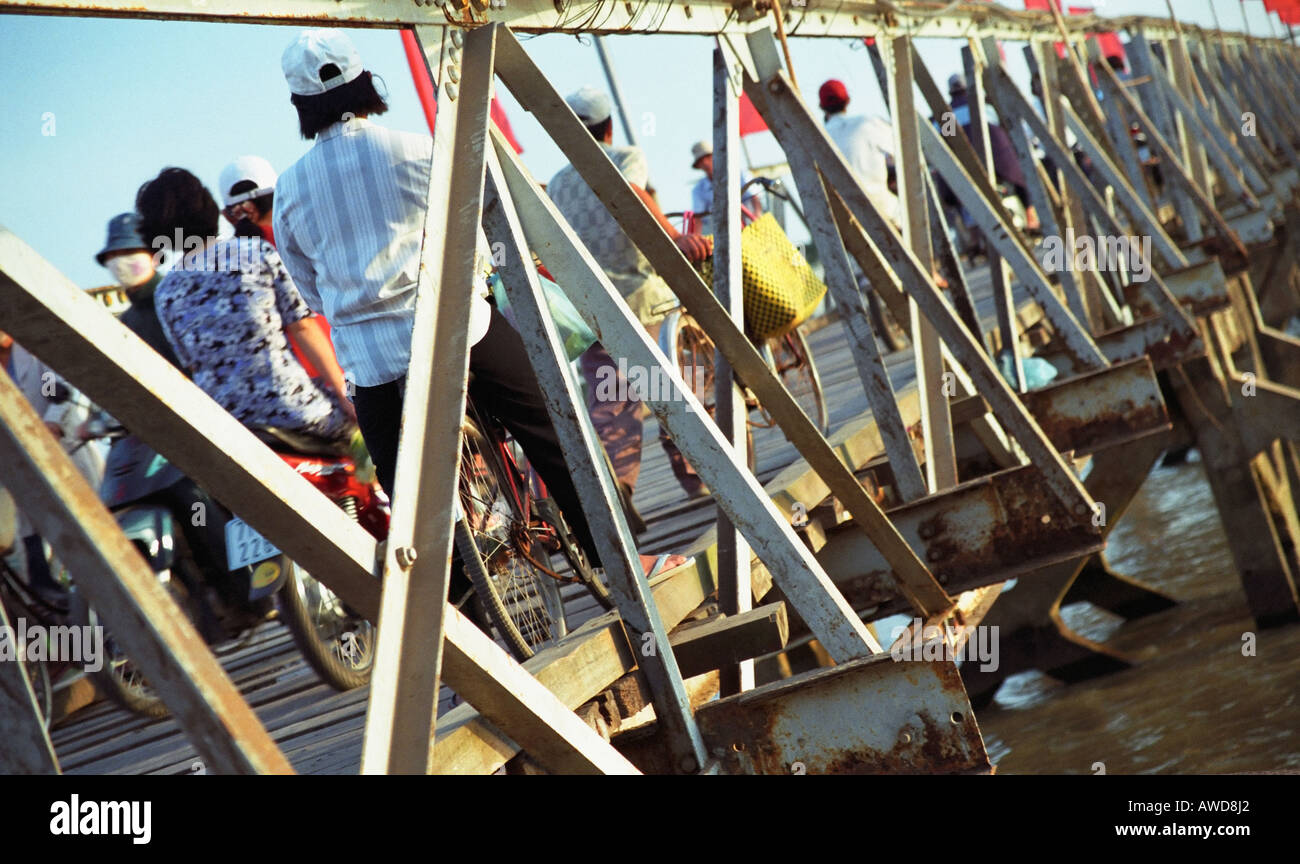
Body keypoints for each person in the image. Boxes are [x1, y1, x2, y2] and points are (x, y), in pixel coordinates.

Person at [270, 31, 683, 578]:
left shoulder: (290, 189)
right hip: (461, 334)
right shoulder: (421, 150)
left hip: (373, 368)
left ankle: (462, 629)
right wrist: (481, 271)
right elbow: (485, 216)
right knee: (557, 431)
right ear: (366, 82)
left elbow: (308, 285)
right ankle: (626, 563)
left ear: (301, 104)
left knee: (414, 514)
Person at [548, 86, 711, 500]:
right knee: (677, 387)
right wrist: (676, 238)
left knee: (612, 407)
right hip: (645, 301)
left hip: (594, 311)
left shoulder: (558, 184)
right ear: (608, 126)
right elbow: (635, 195)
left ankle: (618, 489)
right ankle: (698, 475)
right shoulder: (624, 158)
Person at [137, 167, 356, 444]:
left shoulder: (166, 292)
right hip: (294, 411)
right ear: (208, 208)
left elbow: (192, 362)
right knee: (371, 445)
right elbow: (303, 326)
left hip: (226, 430)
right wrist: (345, 394)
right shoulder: (255, 253)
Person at [217, 155, 345, 390]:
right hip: (338, 370)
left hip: (277, 387)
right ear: (278, 196)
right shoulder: (314, 238)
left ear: (228, 215)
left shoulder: (223, 264)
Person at [818, 79, 908, 351]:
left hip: (841, 213)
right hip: (878, 201)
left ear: (823, 107)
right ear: (848, 100)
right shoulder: (868, 123)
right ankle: (930, 271)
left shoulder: (816, 135)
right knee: (911, 220)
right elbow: (900, 149)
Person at [945, 73, 1040, 232]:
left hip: (969, 169)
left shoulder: (946, 114)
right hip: (1001, 162)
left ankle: (973, 237)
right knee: (1021, 177)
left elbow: (946, 144)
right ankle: (1031, 217)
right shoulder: (985, 103)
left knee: (961, 196)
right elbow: (1007, 127)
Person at [688, 139, 761, 233]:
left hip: (751, 227)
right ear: (699, 166)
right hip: (721, 233)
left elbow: (755, 197)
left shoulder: (740, 174)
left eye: (708, 157)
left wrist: (757, 217)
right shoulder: (698, 190)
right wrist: (696, 238)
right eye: (701, 161)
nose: (705, 163)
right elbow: (698, 217)